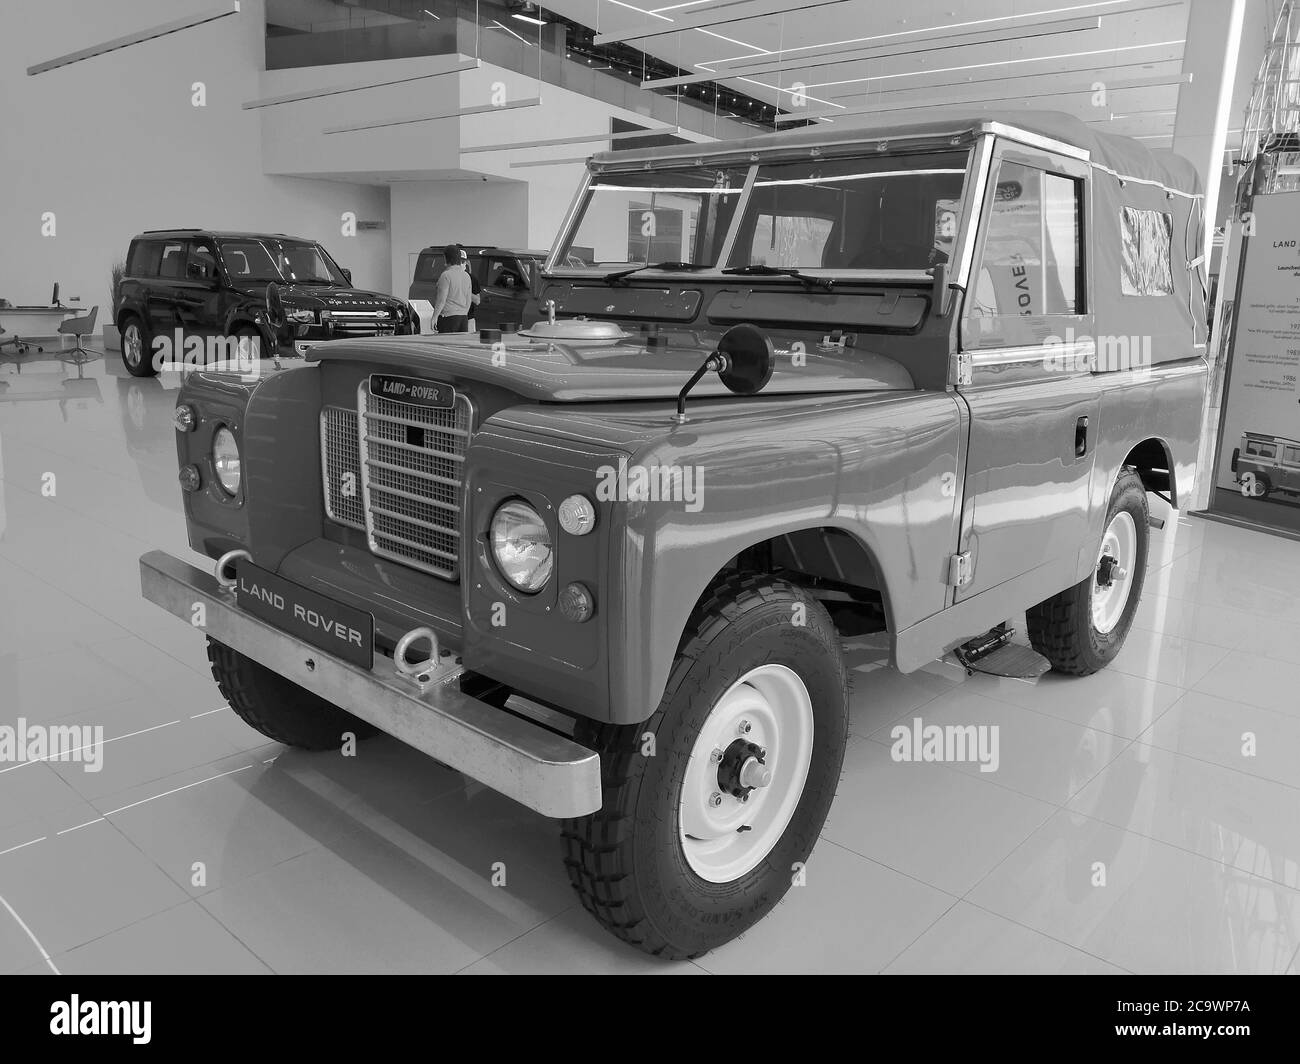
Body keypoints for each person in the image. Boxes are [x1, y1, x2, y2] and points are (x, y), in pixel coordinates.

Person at [430, 243, 473, 334]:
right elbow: (468, 300)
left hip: (448, 317)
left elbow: (441, 300)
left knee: (445, 346)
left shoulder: (446, 275)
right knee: (459, 347)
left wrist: (435, 317)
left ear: (446, 258)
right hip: (463, 318)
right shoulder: (467, 276)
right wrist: (463, 313)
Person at [461, 248, 482, 332]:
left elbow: (477, 301)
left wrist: (465, 290)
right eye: (458, 262)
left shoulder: (472, 279)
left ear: (466, 263)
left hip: (468, 317)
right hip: (454, 317)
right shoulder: (448, 277)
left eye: (463, 262)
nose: (461, 264)